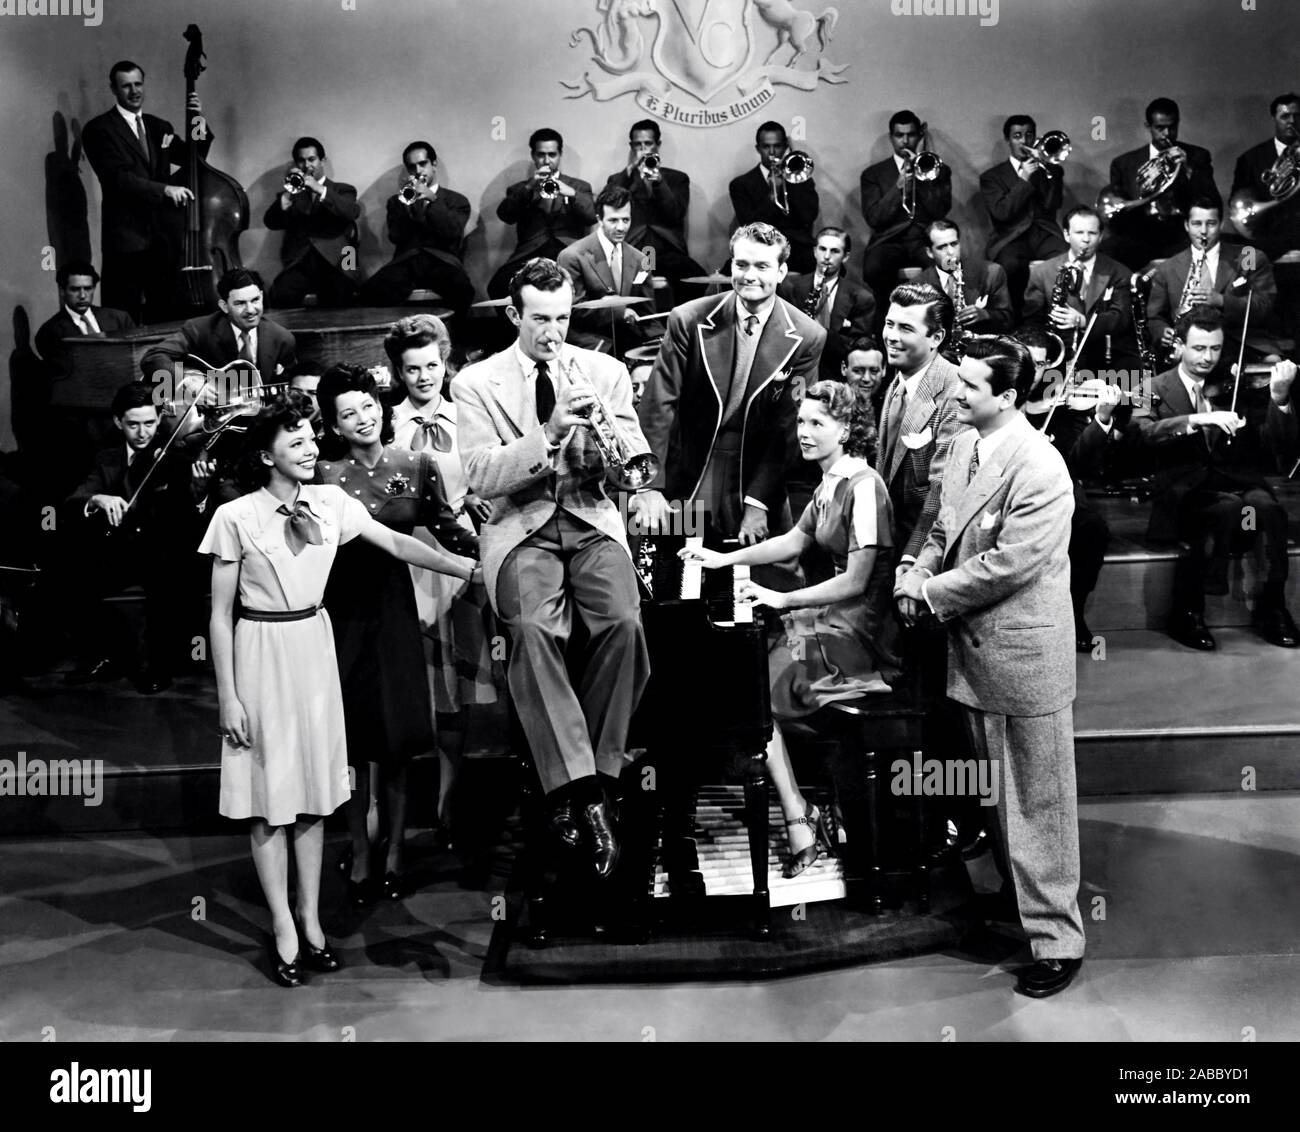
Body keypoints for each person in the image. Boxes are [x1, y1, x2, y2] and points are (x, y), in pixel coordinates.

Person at [200, 392, 478, 987]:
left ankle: (312, 919)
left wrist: (470, 569)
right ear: (266, 454)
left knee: (313, 797)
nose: (308, 449)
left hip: (315, 649)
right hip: (261, 652)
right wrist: (229, 697)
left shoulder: (330, 502)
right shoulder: (235, 517)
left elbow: (400, 544)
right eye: (294, 441)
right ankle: (282, 927)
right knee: (267, 801)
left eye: (309, 437)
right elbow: (219, 616)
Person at [896, 335, 1085, 999]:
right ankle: (1022, 904)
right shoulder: (961, 446)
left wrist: (930, 593)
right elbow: (944, 529)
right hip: (975, 655)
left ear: (1008, 396)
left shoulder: (1041, 467)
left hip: (1021, 657)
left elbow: (1010, 564)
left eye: (971, 385)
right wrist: (914, 567)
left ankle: (1058, 939)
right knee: (1000, 797)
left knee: (1041, 804)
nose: (958, 392)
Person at [452, 258, 650, 877]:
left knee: (624, 623)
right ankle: (585, 796)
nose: (553, 332)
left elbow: (632, 460)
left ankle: (594, 775)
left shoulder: (606, 371)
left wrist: (628, 472)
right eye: (540, 319)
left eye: (562, 318)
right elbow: (480, 475)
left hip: (592, 522)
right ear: (515, 315)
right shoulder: (475, 383)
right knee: (535, 632)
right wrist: (549, 431)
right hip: (522, 528)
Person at [682, 381, 900, 875]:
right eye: (801, 422)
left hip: (861, 629)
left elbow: (857, 581)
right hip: (832, 618)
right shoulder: (829, 482)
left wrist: (782, 598)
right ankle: (800, 812)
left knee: (756, 692)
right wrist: (721, 558)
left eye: (818, 423)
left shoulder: (863, 485)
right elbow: (791, 541)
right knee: (750, 680)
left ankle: (799, 815)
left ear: (847, 430)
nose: (804, 432)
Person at [314, 364, 480, 904]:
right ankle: (360, 851)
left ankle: (393, 855)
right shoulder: (322, 475)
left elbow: (448, 528)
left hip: (396, 613)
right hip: (342, 614)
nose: (362, 419)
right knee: (356, 742)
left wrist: (488, 549)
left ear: (381, 408)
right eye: (347, 413)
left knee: (399, 740)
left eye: (368, 406)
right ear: (334, 425)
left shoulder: (417, 463)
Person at [1082, 307, 1299, 651]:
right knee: (1226, 509)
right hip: (1184, 490)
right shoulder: (1149, 387)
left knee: (1265, 508)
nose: (1208, 357)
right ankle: (1187, 611)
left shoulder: (1236, 384)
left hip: (1237, 484)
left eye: (1215, 348)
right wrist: (1196, 420)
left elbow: (1280, 446)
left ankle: (1273, 607)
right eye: (1199, 348)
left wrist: (1279, 397)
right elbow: (1142, 434)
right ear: (1180, 346)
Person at [635, 222, 824, 545]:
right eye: (742, 264)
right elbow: (658, 405)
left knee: (764, 576)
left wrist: (758, 502)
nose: (750, 275)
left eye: (762, 266)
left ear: (781, 272)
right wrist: (649, 485)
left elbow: (787, 428)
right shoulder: (687, 319)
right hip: (689, 463)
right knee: (671, 562)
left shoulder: (807, 336)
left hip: (756, 472)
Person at [386, 314, 502, 831]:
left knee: (459, 683)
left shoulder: (468, 417)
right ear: (399, 372)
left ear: (446, 362)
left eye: (432, 365)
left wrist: (475, 494)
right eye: (413, 369)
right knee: (417, 683)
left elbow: (488, 471)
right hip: (407, 557)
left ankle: (449, 799)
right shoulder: (383, 423)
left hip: (463, 558)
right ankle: (397, 808)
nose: (424, 377)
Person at [62, 382, 208, 694]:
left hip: (165, 550)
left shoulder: (175, 456)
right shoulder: (105, 456)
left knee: (166, 577)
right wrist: (99, 499)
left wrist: (200, 488)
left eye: (149, 424)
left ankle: (157, 666)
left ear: (159, 420)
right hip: (121, 549)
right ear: (118, 422)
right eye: (133, 425)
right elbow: (77, 497)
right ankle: (100, 657)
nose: (143, 433)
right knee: (71, 572)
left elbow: (188, 514)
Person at [82, 59, 213, 322]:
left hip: (163, 239)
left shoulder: (159, 126)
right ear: (114, 89)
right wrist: (165, 190)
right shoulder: (99, 129)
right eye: (126, 86)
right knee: (124, 314)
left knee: (164, 313)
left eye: (138, 84)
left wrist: (197, 121)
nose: (134, 91)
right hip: (126, 240)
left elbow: (193, 157)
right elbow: (117, 179)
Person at [1015, 326, 1113, 652]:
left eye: (1042, 364)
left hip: (1057, 483)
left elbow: (1078, 459)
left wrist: (1101, 418)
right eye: (1028, 362)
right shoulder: (996, 397)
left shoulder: (1061, 404)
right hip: (1009, 486)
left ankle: (1074, 609)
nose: (1035, 372)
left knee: (1091, 526)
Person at [874, 283, 964, 563]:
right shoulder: (898, 381)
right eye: (890, 324)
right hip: (889, 542)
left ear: (936, 337)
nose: (891, 337)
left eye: (906, 328)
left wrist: (912, 558)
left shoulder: (956, 390)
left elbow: (942, 492)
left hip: (926, 553)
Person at [1146, 198, 1278, 369]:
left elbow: (1264, 306)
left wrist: (1221, 300)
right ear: (1186, 225)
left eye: (1211, 223)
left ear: (1221, 224)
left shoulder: (1248, 255)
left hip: (1241, 343)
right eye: (1196, 224)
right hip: (1189, 347)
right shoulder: (1167, 268)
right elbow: (1155, 316)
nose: (1203, 231)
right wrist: (1161, 331)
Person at [1099, 97, 1221, 270]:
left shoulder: (1198, 156)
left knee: (1210, 249)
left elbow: (1212, 201)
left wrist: (1188, 170)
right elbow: (1118, 217)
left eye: (1172, 127)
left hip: (1182, 230)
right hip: (1141, 231)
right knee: (1106, 251)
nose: (1167, 134)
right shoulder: (1123, 163)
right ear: (1148, 126)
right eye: (1160, 128)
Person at [361, 140, 475, 315]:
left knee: (462, 290)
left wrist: (432, 200)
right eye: (412, 167)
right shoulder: (397, 201)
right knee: (370, 291)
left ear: (434, 164)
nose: (418, 171)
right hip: (406, 261)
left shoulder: (457, 200)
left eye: (423, 164)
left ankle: (453, 339)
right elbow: (396, 236)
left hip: (442, 262)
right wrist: (409, 204)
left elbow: (452, 232)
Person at [859, 110, 953, 315]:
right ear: (891, 138)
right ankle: (887, 321)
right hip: (889, 240)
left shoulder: (938, 170)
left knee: (948, 265)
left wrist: (921, 176)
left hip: (924, 240)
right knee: (874, 268)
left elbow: (940, 210)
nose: (905, 141)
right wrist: (898, 188)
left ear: (919, 136)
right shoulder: (873, 174)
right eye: (899, 135)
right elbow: (874, 218)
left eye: (910, 135)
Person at [140, 267, 297, 387]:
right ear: (224, 306)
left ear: (262, 296)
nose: (250, 310)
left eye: (255, 300)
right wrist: (188, 385)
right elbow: (153, 357)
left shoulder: (282, 339)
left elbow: (286, 389)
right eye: (240, 303)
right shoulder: (198, 329)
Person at [1023, 207, 1135, 374]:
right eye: (1079, 232)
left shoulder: (1120, 273)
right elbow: (1031, 321)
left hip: (1106, 358)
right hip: (1058, 360)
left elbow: (1122, 319)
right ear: (1067, 235)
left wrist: (1083, 321)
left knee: (1136, 378)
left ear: (1101, 236)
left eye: (1092, 233)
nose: (1086, 240)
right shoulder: (1041, 273)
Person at [487, 128, 596, 299]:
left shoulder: (579, 186)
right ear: (533, 156)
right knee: (497, 286)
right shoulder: (520, 188)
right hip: (530, 254)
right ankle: (520, 325)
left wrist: (571, 193)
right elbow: (505, 215)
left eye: (552, 155)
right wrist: (530, 187)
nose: (547, 161)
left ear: (560, 155)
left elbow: (591, 217)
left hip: (566, 252)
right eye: (541, 155)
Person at [980, 115, 1069, 319]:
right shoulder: (991, 177)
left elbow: (1052, 205)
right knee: (1009, 266)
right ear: (1008, 140)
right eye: (1017, 136)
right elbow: (1002, 213)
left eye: (1029, 135)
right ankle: (1014, 321)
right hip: (1010, 237)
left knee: (1066, 262)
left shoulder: (1051, 170)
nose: (1024, 141)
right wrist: (1024, 179)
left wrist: (1049, 171)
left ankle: (1057, 320)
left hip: (1044, 234)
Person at [603, 119, 704, 287]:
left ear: (658, 145)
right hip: (632, 249)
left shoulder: (677, 179)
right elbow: (607, 205)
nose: (643, 149)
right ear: (631, 147)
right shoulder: (619, 179)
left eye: (648, 143)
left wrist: (659, 183)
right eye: (638, 145)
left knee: (695, 279)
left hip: (667, 250)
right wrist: (629, 170)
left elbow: (675, 214)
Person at [263, 136, 361, 309]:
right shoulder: (291, 193)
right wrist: (287, 194)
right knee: (279, 295)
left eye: (311, 159)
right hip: (301, 261)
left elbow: (352, 212)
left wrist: (319, 189)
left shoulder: (343, 189)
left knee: (340, 297)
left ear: (322, 161)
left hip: (341, 260)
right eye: (301, 161)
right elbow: (270, 222)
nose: (307, 165)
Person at [557, 185, 655, 355]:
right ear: (599, 219)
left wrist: (660, 341)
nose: (621, 228)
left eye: (626, 220)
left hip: (628, 338)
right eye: (613, 220)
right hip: (590, 340)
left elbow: (648, 312)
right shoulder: (571, 256)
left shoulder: (642, 260)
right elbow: (573, 309)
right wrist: (620, 312)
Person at [777, 226, 875, 381]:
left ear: (845, 257)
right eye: (822, 249)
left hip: (835, 372)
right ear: (815, 251)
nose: (827, 256)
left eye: (835, 251)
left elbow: (857, 346)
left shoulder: (862, 297)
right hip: (795, 370)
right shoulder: (790, 288)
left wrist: (820, 331)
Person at [729, 121, 819, 274]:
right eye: (766, 146)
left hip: (798, 250)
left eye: (777, 146)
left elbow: (808, 216)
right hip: (759, 249)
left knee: (825, 266)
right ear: (758, 148)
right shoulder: (740, 184)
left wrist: (791, 184)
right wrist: (772, 193)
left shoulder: (800, 178)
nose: (772, 152)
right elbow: (749, 224)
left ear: (784, 147)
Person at [34, 260, 135, 378]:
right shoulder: (49, 332)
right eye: (75, 289)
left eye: (87, 288)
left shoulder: (120, 319)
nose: (82, 295)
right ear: (62, 291)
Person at [1230, 92, 1300, 259]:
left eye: (1297, 116)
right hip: (1268, 240)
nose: (1291, 121)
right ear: (1274, 118)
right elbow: (1239, 202)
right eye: (1285, 116)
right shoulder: (1250, 159)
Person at [919, 220, 1014, 334]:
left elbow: (1008, 321)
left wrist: (985, 315)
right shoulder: (918, 285)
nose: (950, 252)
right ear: (929, 252)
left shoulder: (991, 273)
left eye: (954, 244)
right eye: (942, 247)